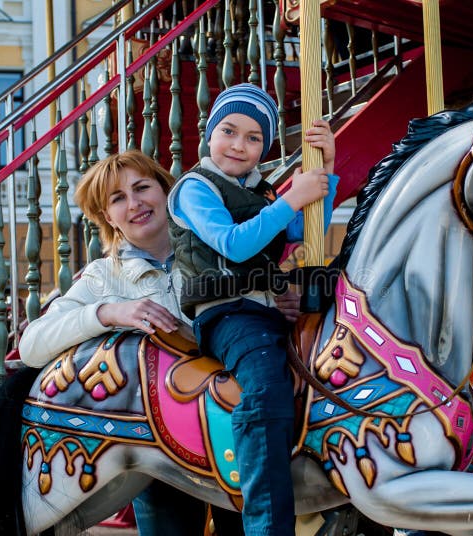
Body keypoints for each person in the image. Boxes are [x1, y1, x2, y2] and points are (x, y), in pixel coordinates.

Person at [18, 150, 240, 535]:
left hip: (231, 424)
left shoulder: (216, 251)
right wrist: (107, 313)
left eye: (142, 188)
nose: (134, 203)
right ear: (108, 217)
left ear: (165, 191)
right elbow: (31, 345)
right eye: (118, 198)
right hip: (162, 448)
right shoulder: (104, 277)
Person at [167, 83, 339, 535]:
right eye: (229, 131)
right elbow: (232, 244)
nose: (239, 145)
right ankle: (266, 524)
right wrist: (291, 198)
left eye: (254, 138)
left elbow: (304, 227)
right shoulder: (195, 188)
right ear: (209, 133)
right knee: (265, 389)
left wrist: (326, 171)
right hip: (227, 314)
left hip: (267, 312)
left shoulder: (261, 194)